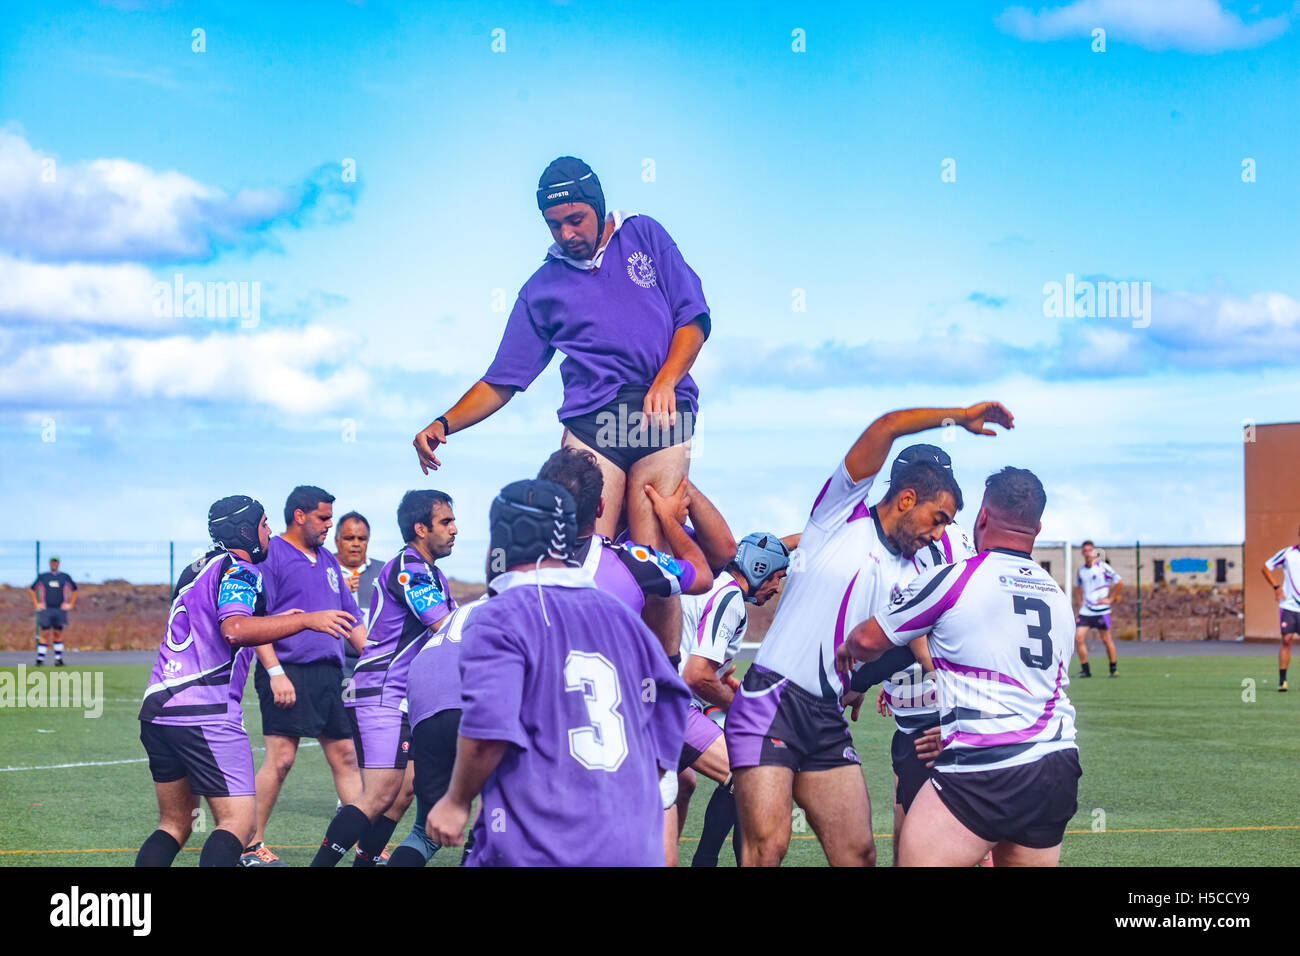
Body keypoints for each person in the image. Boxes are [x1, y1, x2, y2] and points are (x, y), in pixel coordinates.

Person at [727, 402, 1013, 867]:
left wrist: (864, 683)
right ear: (906, 499)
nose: (940, 533)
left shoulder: (915, 572)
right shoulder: (839, 515)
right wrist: (959, 417)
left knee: (858, 854)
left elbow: (913, 643)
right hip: (772, 702)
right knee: (768, 847)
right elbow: (886, 427)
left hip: (824, 716)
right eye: (937, 519)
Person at [412, 156, 711, 558]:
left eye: (576, 219)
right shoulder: (541, 289)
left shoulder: (644, 234)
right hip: (593, 425)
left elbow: (693, 318)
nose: (567, 233)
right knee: (585, 558)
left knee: (654, 558)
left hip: (663, 415)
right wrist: (444, 423)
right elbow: (502, 380)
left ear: (598, 206)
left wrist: (666, 381)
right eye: (555, 224)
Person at [426, 479, 691, 866]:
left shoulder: (500, 616)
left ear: (502, 539)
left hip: (545, 843)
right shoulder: (621, 616)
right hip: (632, 843)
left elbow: (488, 730)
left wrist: (455, 801)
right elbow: (671, 699)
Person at [837, 467, 1080, 867]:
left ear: (982, 517)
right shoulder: (1056, 596)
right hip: (1056, 767)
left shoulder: (954, 579)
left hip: (986, 771)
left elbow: (866, 641)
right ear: (1037, 527)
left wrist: (850, 658)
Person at [135, 496, 356, 867]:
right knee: (239, 821)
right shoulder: (240, 568)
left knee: (174, 825)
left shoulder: (197, 567)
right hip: (205, 710)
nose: (269, 531)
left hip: (158, 709)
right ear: (244, 530)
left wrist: (279, 617)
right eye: (264, 523)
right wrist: (305, 621)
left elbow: (218, 621)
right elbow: (234, 629)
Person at [537, 446, 713, 864]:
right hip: (624, 758)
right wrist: (669, 517)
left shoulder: (518, 574)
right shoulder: (632, 561)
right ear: (601, 506)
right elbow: (702, 575)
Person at [847, 444, 979, 865]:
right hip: (930, 704)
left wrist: (861, 680)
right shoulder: (959, 537)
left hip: (934, 713)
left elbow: (916, 627)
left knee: (917, 844)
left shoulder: (918, 536)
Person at [311, 491, 458, 866]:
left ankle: (365, 862)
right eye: (446, 522)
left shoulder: (432, 572)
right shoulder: (409, 568)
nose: (455, 530)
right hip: (382, 691)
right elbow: (445, 627)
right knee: (378, 795)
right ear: (420, 529)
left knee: (404, 790)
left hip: (404, 696)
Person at [241, 485, 368, 867]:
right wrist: (276, 672)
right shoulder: (273, 554)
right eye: (324, 518)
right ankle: (250, 846)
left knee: (346, 757)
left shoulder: (328, 560)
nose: (330, 525)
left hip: (329, 675)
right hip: (288, 672)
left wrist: (380, 661)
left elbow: (352, 623)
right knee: (281, 759)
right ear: (300, 516)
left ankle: (366, 846)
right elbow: (255, 622)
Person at [678, 531, 790, 868]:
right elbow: (696, 676)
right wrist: (743, 707)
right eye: (776, 577)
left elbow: (706, 668)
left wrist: (735, 690)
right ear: (759, 569)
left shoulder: (716, 586)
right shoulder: (728, 598)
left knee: (681, 786)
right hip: (674, 708)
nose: (776, 587)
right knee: (748, 775)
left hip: (670, 701)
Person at [389, 595, 485, 867]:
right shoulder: (529, 604)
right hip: (467, 699)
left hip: (423, 699)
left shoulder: (467, 608)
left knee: (425, 833)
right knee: (502, 817)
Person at [334, 511, 382, 679]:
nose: (356, 544)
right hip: (334, 665)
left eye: (361, 539)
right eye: (349, 538)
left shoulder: (384, 572)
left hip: (375, 666)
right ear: (337, 541)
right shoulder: (322, 570)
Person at [1073, 540, 1122, 678]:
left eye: (1090, 550)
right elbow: (1077, 587)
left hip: (1101, 610)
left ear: (1094, 552)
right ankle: (1086, 670)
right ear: (1083, 553)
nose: (1088, 553)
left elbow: (1119, 581)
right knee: (1078, 638)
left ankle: (1113, 669)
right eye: (1085, 551)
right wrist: (1080, 601)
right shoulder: (1081, 570)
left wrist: (1111, 599)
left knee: (1106, 639)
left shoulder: (1103, 567)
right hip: (1086, 611)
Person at [1263, 527, 1300, 692]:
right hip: (1289, 606)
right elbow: (1266, 567)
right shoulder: (1288, 554)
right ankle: (1282, 681)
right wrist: (1276, 587)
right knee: (1286, 640)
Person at [30, 556, 76, 667]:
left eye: (56, 562)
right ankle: (40, 659)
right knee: (44, 633)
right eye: (52, 562)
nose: (54, 564)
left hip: (59, 610)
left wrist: (70, 604)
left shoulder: (64, 577)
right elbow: (32, 589)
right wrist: (37, 604)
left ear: (59, 563)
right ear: (50, 563)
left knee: (57, 633)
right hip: (46, 609)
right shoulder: (43, 576)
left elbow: (75, 590)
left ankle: (58, 659)